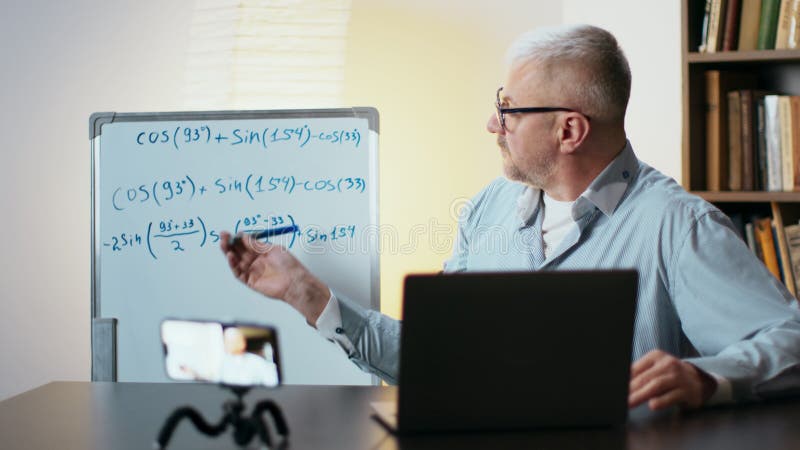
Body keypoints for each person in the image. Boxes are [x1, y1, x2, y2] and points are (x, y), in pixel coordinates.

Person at [220, 24, 800, 410]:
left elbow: (789, 338)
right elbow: (436, 356)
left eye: (508, 111)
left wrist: (711, 378)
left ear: (568, 130)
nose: (493, 126)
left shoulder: (678, 227)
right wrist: (308, 295)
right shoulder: (487, 210)